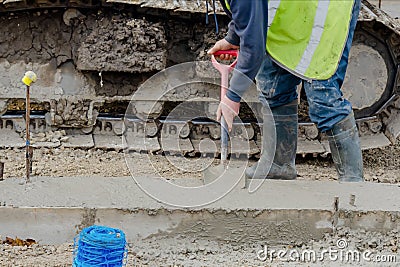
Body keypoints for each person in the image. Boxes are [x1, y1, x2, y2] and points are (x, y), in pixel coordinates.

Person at [207, 0, 363, 182]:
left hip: (324, 14)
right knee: (273, 84)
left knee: (323, 96)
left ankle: (353, 184)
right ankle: (278, 164)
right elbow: (249, 11)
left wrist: (232, 96)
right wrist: (233, 37)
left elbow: (253, 48)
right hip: (292, 12)